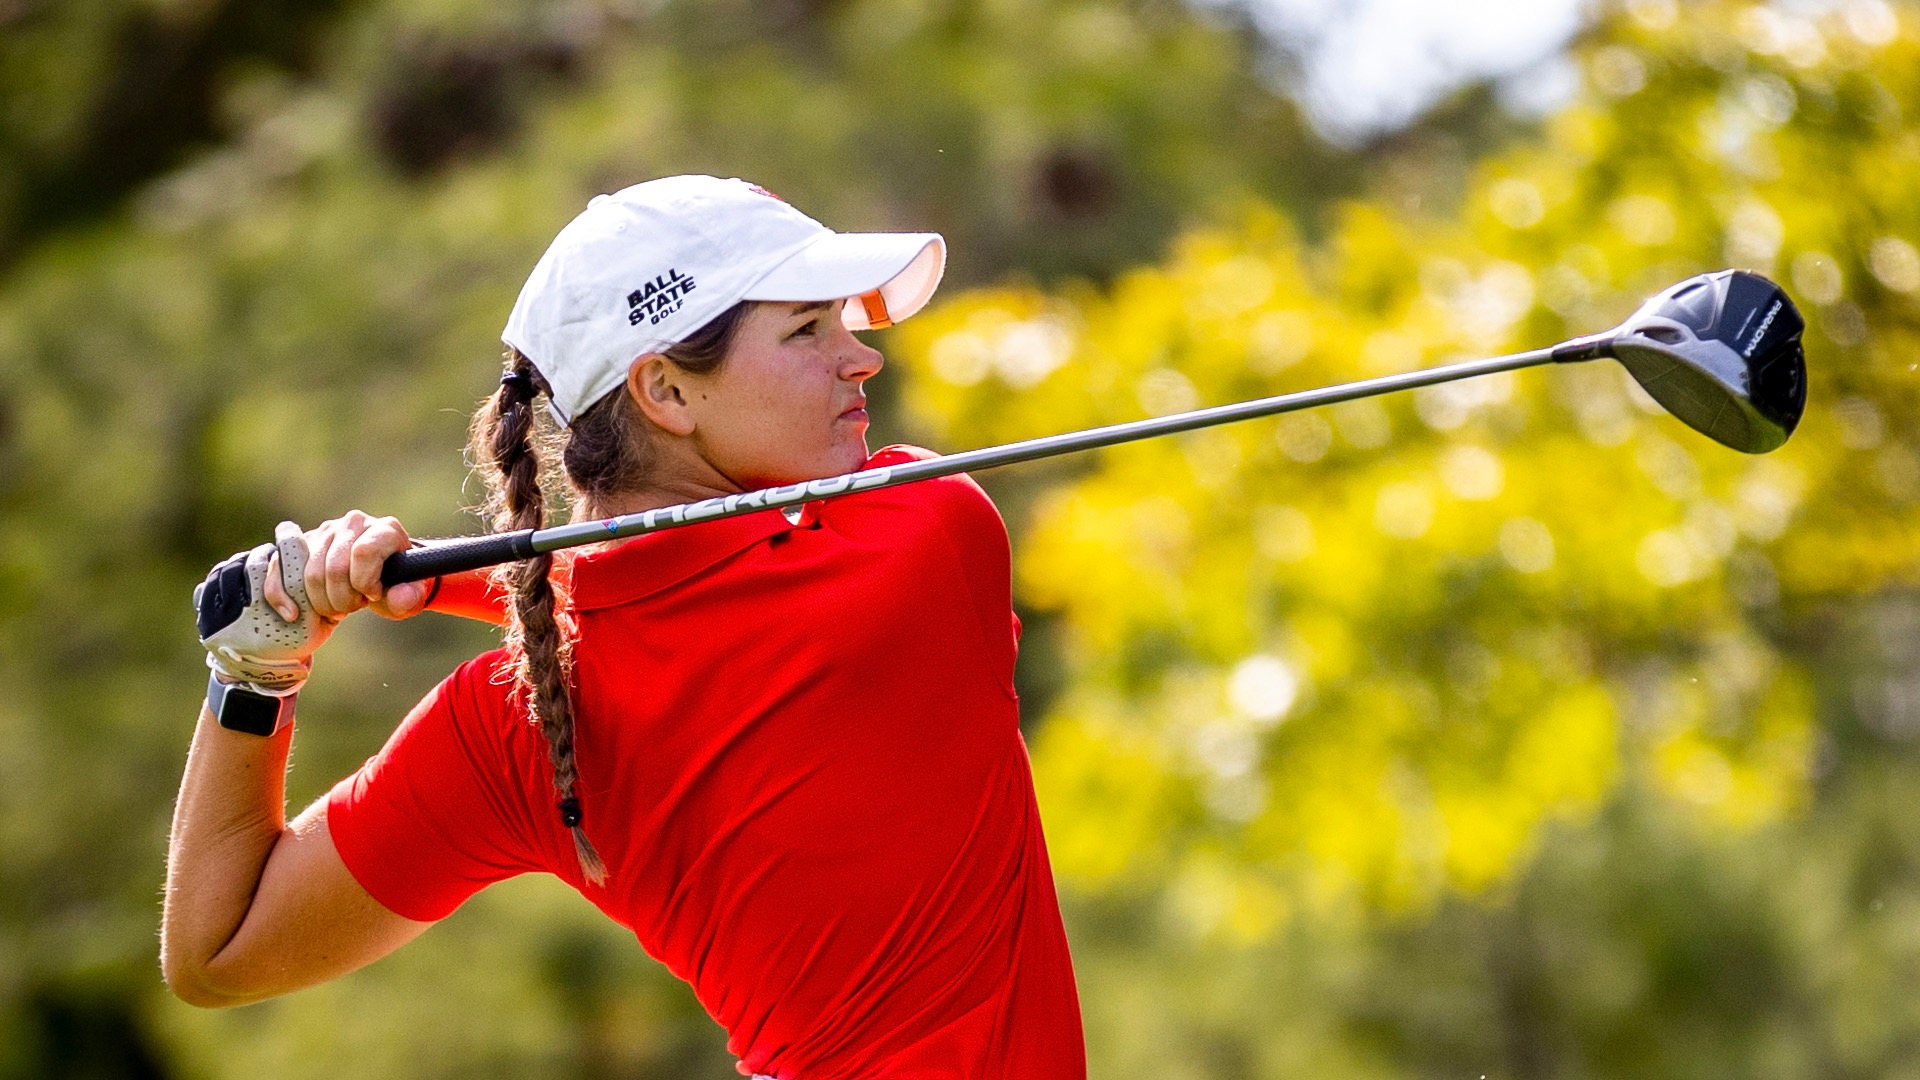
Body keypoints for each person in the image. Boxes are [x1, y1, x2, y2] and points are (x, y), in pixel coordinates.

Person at [163, 175, 1086, 1079]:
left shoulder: (516, 717)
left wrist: (259, 667)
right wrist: (439, 582)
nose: (862, 357)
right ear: (668, 394)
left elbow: (218, 954)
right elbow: (697, 602)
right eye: (809, 329)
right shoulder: (928, 535)